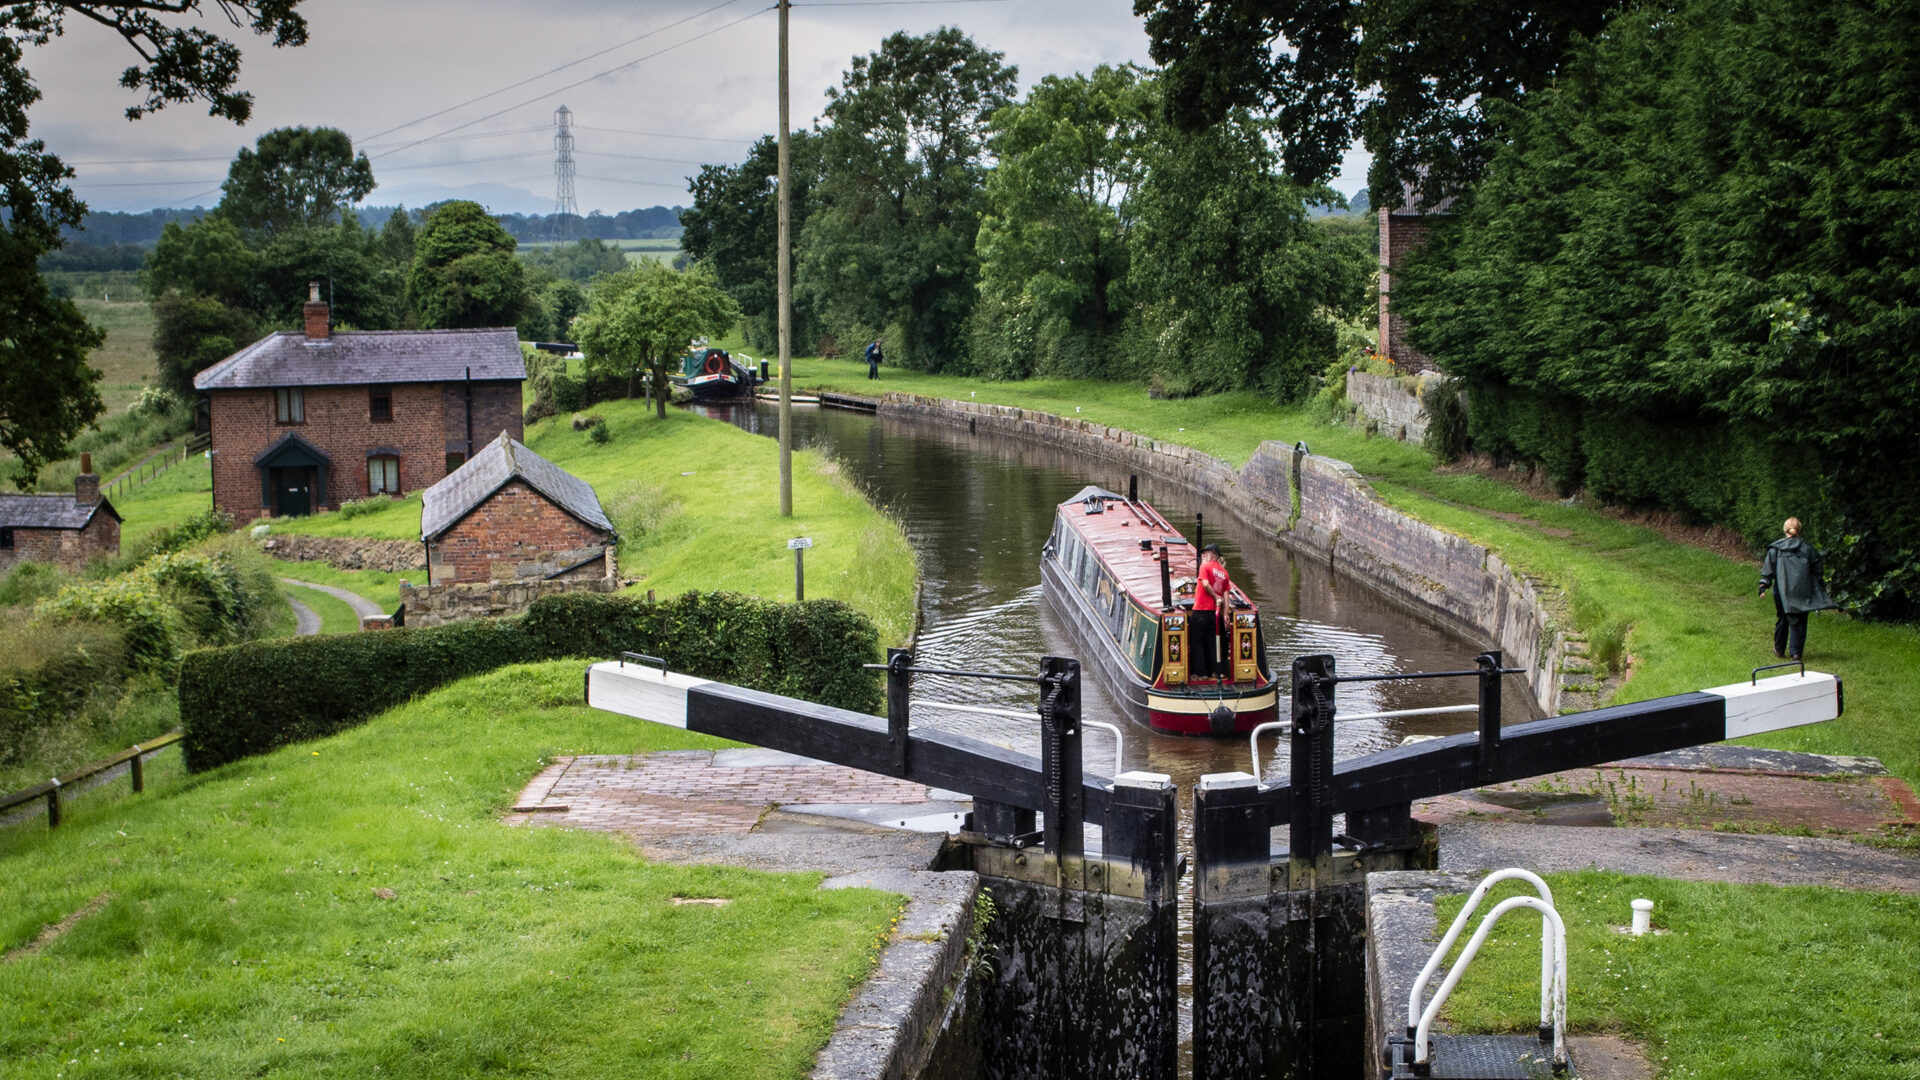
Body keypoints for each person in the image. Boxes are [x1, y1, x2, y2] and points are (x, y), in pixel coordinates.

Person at [1759, 517, 1834, 661]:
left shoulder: (1776, 549)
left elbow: (1768, 570)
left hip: (1781, 591)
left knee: (1783, 618)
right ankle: (1796, 652)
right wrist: (1817, 586)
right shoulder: (1807, 548)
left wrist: (1763, 586)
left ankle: (1779, 649)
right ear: (1799, 529)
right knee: (1799, 619)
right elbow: (1817, 569)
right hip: (1802, 589)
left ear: (1785, 529)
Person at [1192, 544, 1232, 680]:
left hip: (1201, 610)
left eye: (1206, 553)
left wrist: (1215, 597)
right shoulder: (1224, 573)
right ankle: (1217, 671)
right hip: (1216, 614)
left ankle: (1201, 673)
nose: (1204, 556)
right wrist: (1226, 614)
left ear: (1213, 554)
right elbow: (1226, 595)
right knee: (1214, 643)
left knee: (1197, 642)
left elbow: (1204, 583)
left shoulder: (1205, 567)